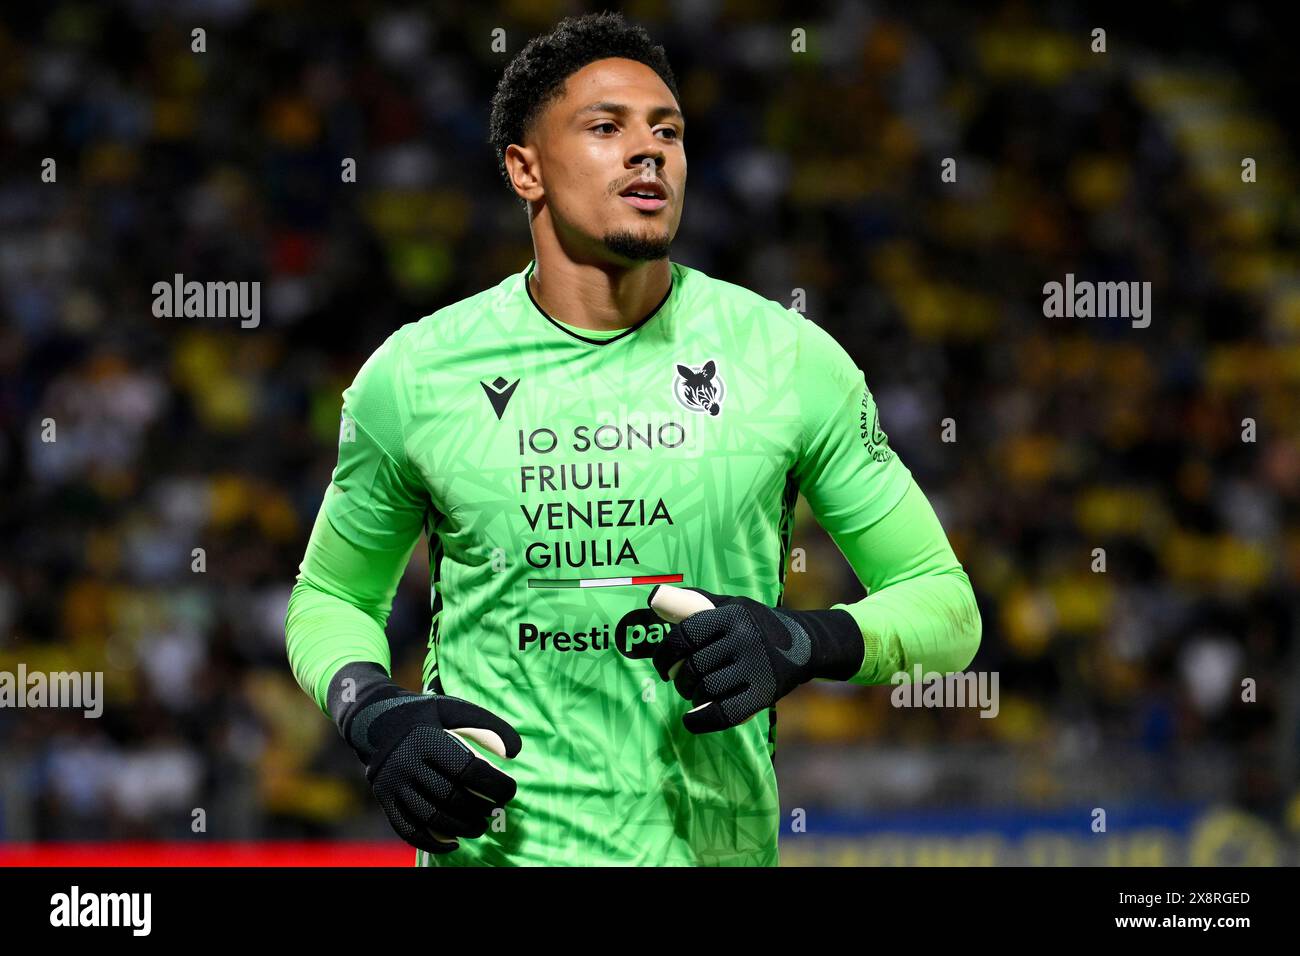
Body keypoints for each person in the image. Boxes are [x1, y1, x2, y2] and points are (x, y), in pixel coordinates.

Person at [284, 11, 980, 867]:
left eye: (668, 131)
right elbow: (332, 598)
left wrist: (804, 641)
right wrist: (374, 712)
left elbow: (945, 605)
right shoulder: (416, 375)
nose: (648, 151)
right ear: (524, 168)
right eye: (606, 128)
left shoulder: (789, 359)